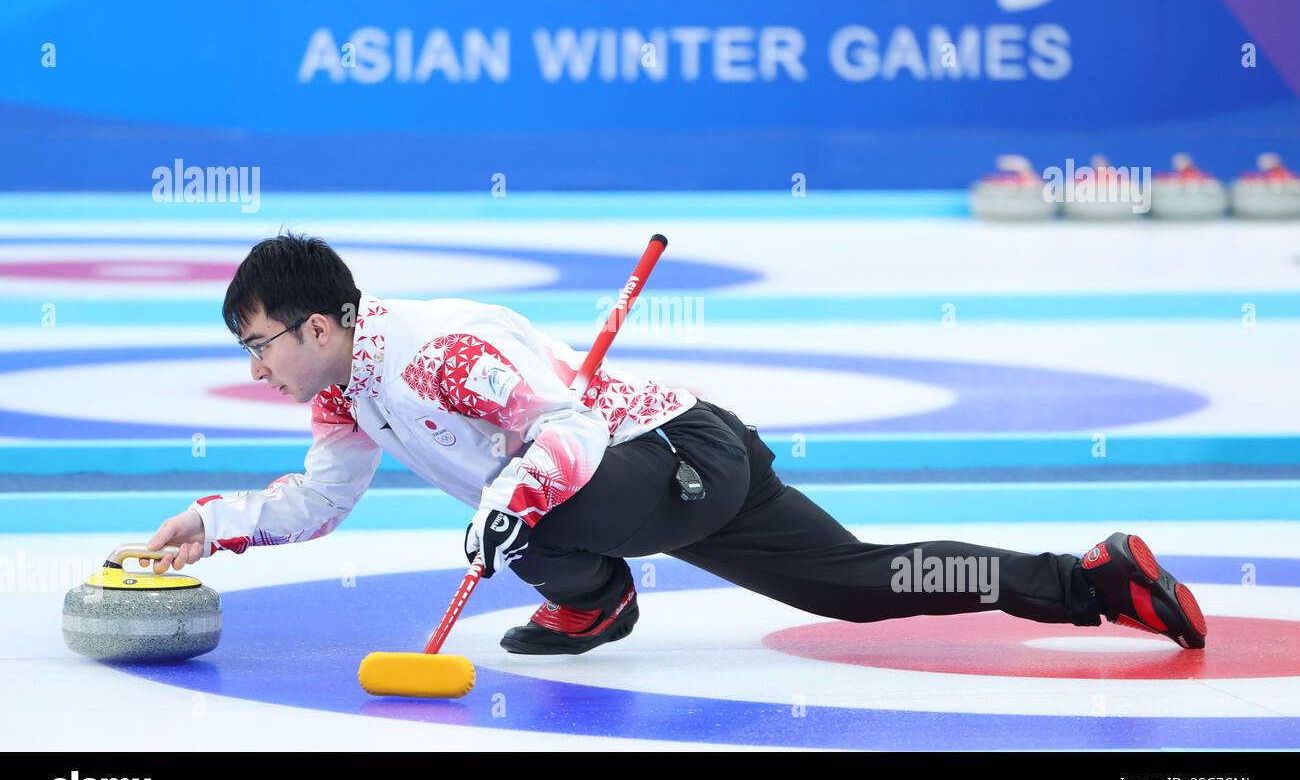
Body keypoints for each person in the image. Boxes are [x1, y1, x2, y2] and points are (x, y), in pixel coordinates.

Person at [147, 232, 1208, 655]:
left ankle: (593, 596)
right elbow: (323, 497)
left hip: (663, 456)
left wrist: (509, 502)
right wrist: (216, 523)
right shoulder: (346, 393)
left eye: (259, 345)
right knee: (858, 581)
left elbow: (560, 426)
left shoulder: (427, 352)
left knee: (505, 508)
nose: (257, 369)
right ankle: (1093, 580)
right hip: (691, 459)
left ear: (317, 325)